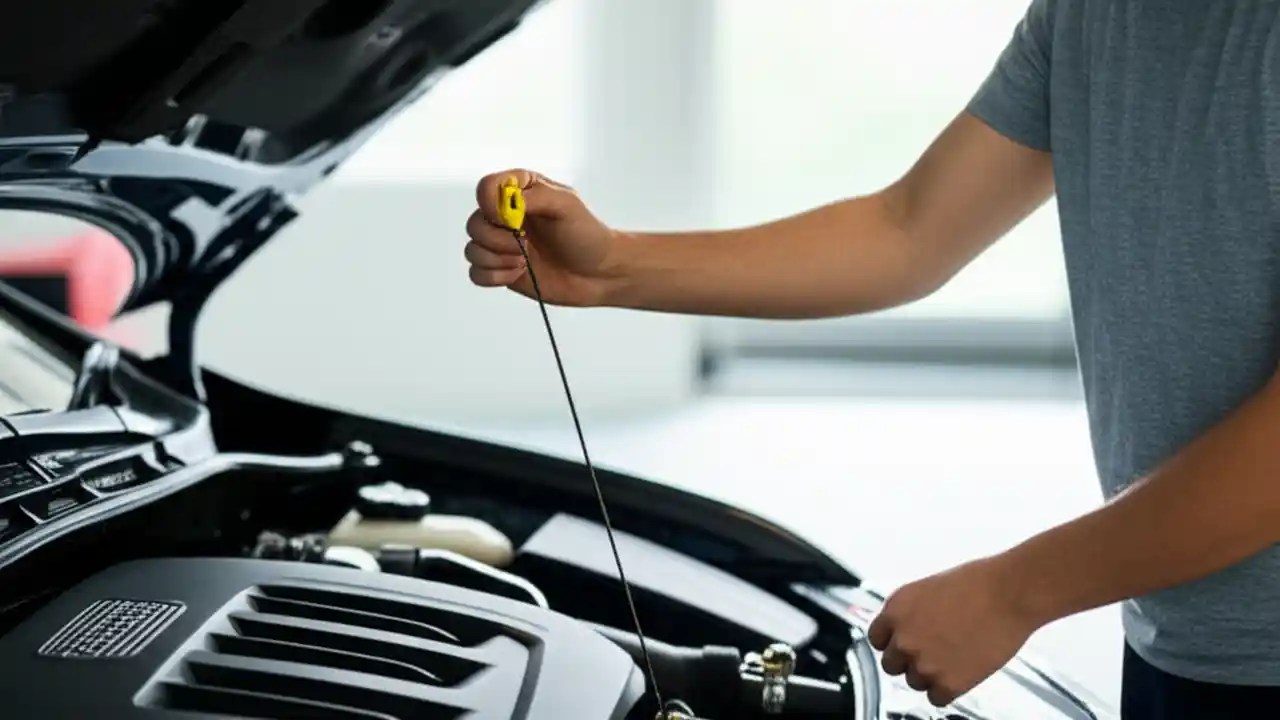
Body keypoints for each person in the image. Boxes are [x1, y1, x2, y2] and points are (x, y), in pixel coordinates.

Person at [462, 2, 1280, 718]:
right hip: (1185, 640)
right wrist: (613, 267)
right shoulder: (1099, 14)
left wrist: (1017, 589)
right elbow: (908, 231)